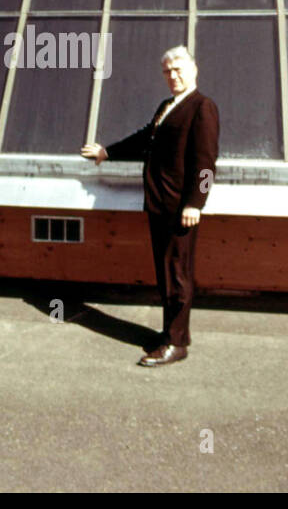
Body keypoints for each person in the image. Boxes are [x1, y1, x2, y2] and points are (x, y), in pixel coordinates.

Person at [80, 45, 219, 367]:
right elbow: (146, 139)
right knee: (167, 276)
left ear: (194, 70)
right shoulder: (168, 106)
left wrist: (196, 203)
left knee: (178, 276)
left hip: (180, 210)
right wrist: (107, 153)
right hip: (159, 206)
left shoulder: (202, 107)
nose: (173, 76)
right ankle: (170, 333)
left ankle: (177, 343)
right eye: (167, 72)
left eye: (179, 69)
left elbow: (207, 163)